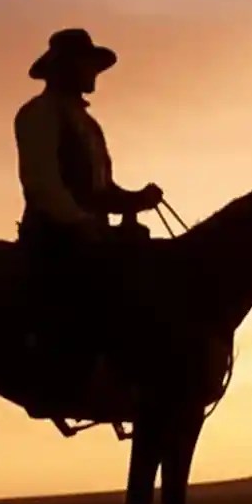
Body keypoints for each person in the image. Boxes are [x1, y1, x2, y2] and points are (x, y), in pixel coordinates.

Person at [13, 28, 162, 412]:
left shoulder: (86, 124)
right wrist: (79, 222)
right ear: (65, 69)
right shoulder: (38, 115)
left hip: (88, 230)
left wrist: (136, 200)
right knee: (92, 286)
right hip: (53, 232)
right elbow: (42, 182)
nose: (93, 74)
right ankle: (67, 378)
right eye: (87, 65)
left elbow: (101, 190)